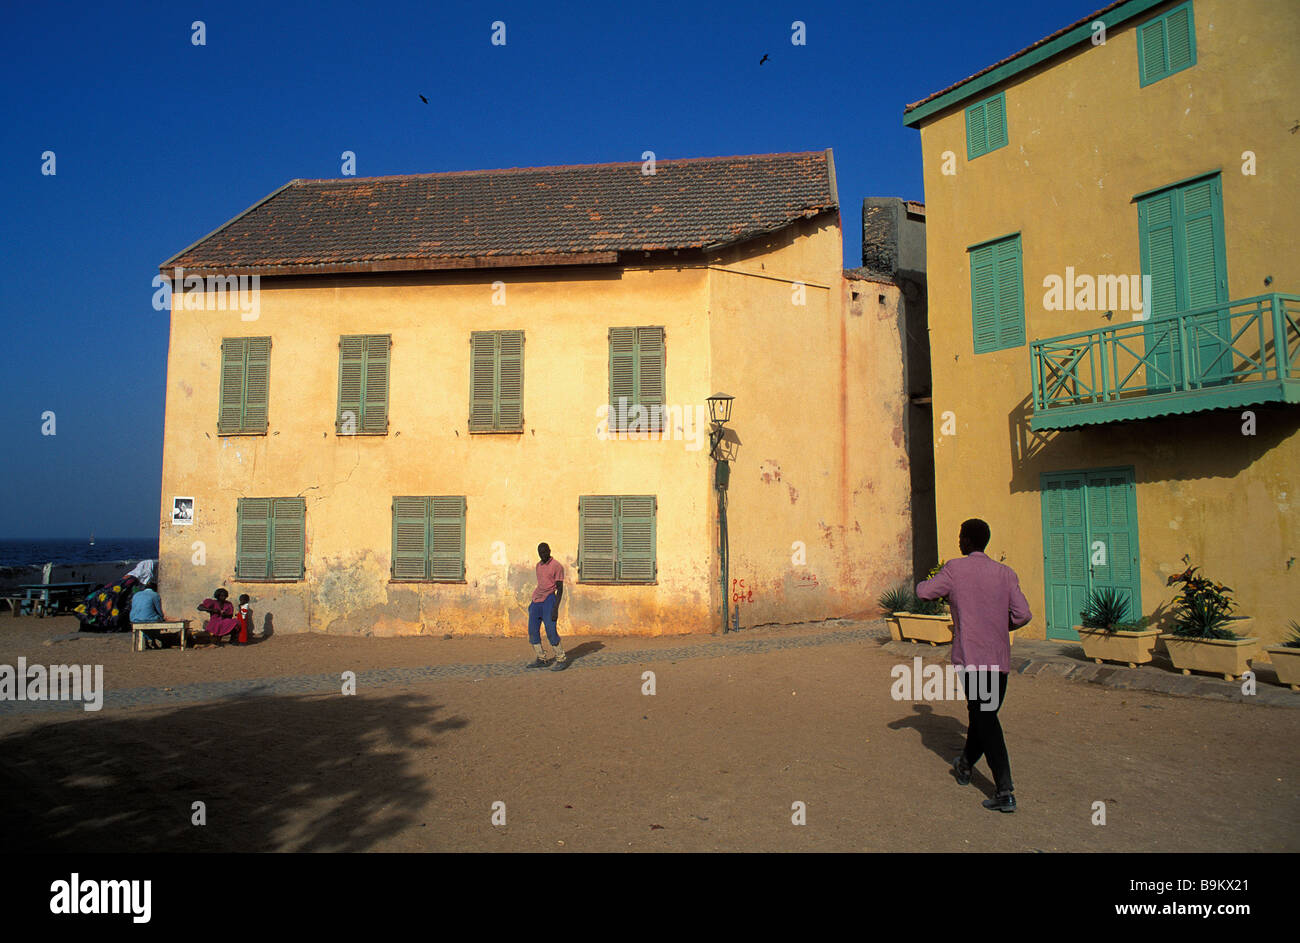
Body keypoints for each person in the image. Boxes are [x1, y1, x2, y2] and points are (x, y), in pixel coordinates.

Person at [916, 518, 1031, 813]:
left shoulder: (955, 569)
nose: (958, 541)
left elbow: (923, 593)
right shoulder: (1006, 573)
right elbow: (1023, 614)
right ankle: (966, 765)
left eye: (960, 536)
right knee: (983, 715)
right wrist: (999, 624)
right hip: (999, 659)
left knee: (986, 719)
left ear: (967, 541)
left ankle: (1004, 790)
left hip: (972, 660)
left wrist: (928, 584)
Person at [526, 543, 568, 671]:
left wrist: (555, 608)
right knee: (532, 631)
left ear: (549, 551)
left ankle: (561, 659)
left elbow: (560, 589)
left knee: (550, 631)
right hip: (536, 600)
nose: (543, 554)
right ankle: (541, 658)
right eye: (540, 552)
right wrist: (532, 605)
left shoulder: (557, 566)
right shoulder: (538, 566)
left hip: (549, 600)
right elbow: (541, 584)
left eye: (545, 551)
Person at [129, 581, 168, 649]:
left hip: (134, 619)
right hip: (147, 619)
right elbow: (159, 610)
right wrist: (162, 618)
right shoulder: (155, 595)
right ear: (155, 589)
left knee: (146, 619)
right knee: (157, 619)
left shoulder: (136, 594)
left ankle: (148, 641)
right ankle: (152, 640)